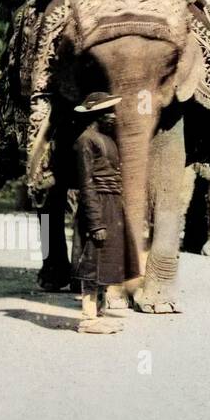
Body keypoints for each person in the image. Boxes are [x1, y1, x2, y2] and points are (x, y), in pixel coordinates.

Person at [71, 92, 128, 333]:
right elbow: (87, 184)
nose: (113, 116)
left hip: (112, 204)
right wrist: (95, 222)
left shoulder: (107, 140)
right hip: (97, 205)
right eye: (108, 111)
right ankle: (88, 319)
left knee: (106, 261)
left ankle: (100, 313)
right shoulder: (85, 141)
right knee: (91, 262)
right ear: (95, 115)